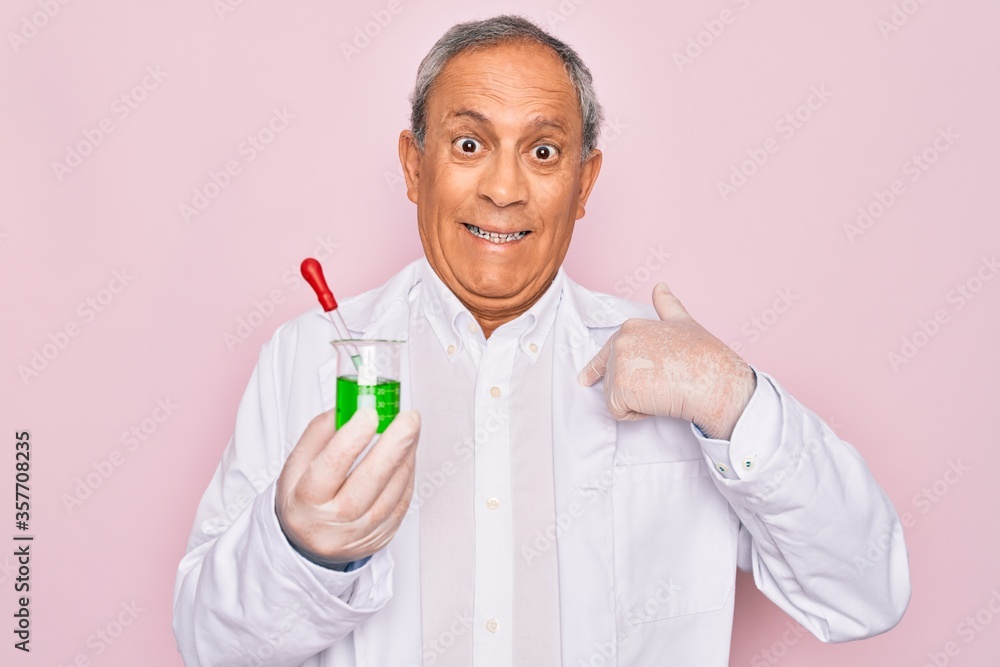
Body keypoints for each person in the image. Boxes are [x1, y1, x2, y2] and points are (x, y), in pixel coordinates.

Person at [172, 14, 910, 667]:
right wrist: (300, 549)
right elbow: (210, 645)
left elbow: (866, 592)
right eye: (469, 143)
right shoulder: (306, 358)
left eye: (545, 153)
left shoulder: (673, 370)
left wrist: (735, 400)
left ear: (585, 183)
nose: (505, 188)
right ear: (413, 164)